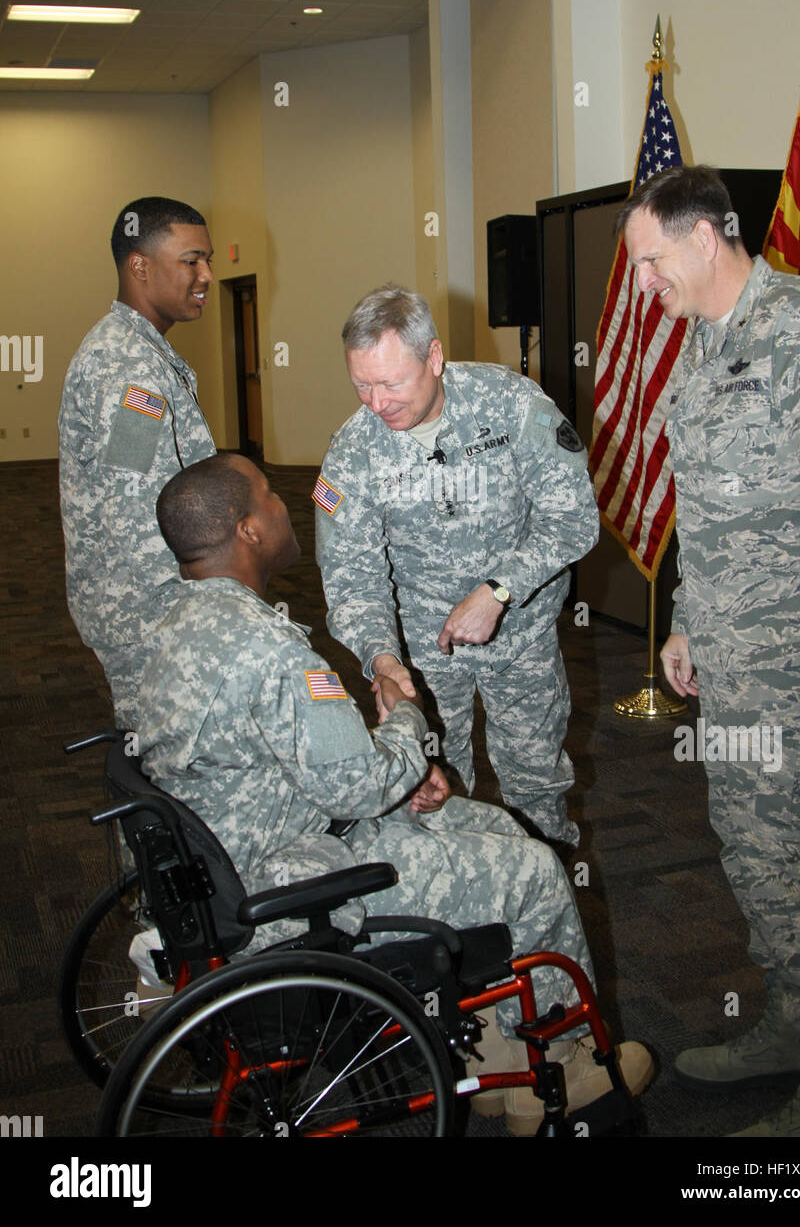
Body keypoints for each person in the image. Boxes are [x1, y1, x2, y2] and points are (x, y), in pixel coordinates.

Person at [136, 453, 652, 1134]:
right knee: (534, 872)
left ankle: (501, 1045)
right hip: (290, 888)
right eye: (268, 496)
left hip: (246, 855)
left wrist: (391, 777)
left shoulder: (173, 624)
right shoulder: (265, 648)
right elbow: (361, 781)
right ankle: (556, 1067)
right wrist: (404, 714)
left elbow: (281, 761)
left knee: (499, 831)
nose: (283, 504)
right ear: (246, 531)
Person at [620, 164, 800, 1137]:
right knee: (749, 848)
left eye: (647, 262)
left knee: (788, 857)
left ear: (700, 238)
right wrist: (684, 621)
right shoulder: (701, 341)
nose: (642, 285)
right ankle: (787, 1025)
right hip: (730, 654)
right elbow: (706, 506)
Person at [314, 285, 599, 846]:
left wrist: (499, 590)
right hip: (421, 653)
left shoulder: (511, 404)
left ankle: (546, 911)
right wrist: (383, 660)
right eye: (361, 385)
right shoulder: (352, 451)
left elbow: (573, 518)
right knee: (432, 789)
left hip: (521, 636)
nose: (376, 403)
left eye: (391, 383)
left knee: (536, 786)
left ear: (434, 358)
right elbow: (352, 579)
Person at [58, 197, 216, 729]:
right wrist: (207, 609)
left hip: (151, 602)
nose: (207, 276)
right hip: (148, 608)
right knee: (165, 761)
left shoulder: (142, 351)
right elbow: (136, 514)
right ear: (140, 266)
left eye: (208, 260)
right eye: (191, 261)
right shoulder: (129, 368)